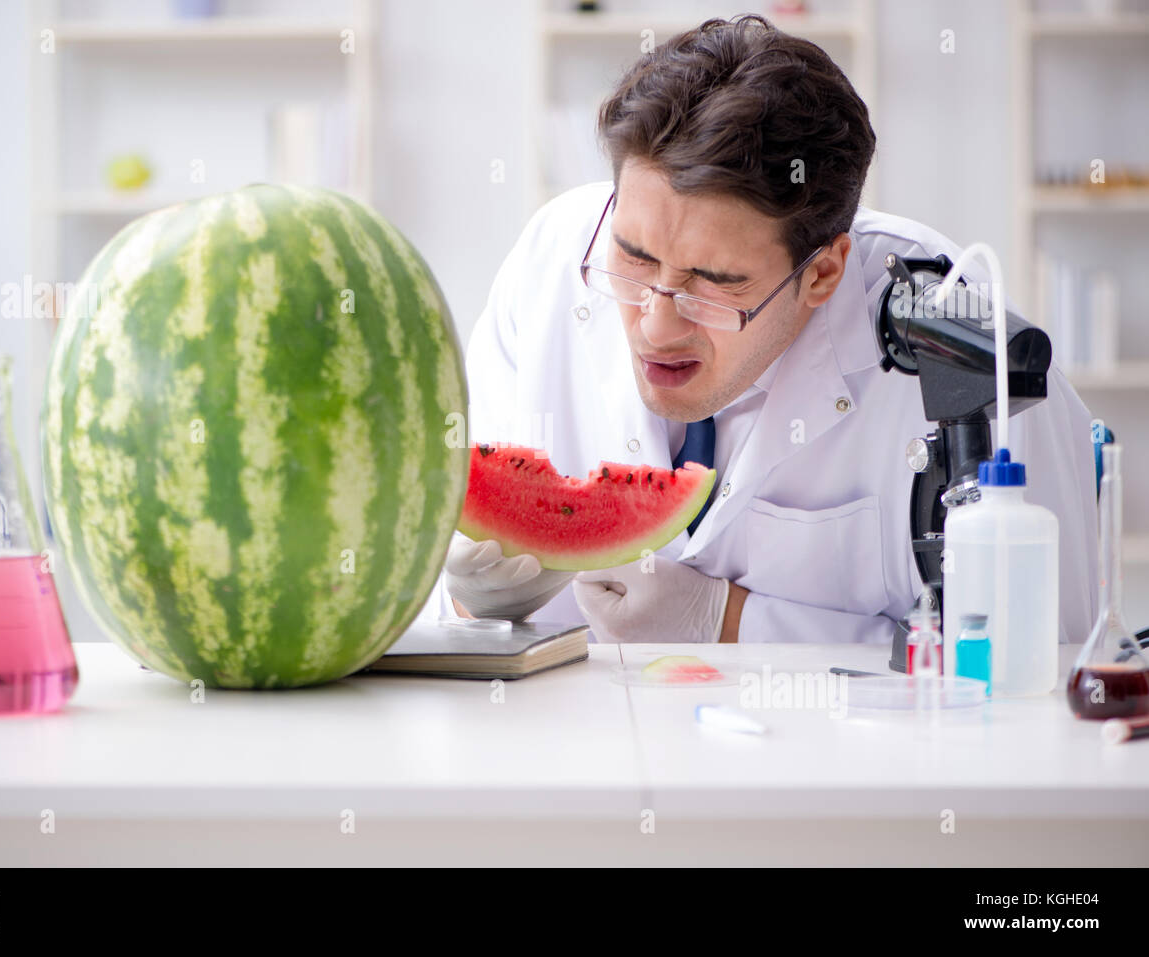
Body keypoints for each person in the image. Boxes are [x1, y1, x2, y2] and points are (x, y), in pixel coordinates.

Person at [435, 15, 1097, 646]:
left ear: (823, 272)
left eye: (715, 282)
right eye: (634, 257)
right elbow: (473, 618)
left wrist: (729, 621)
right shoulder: (552, 262)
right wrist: (469, 601)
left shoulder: (963, 347)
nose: (657, 325)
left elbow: (1045, 658)